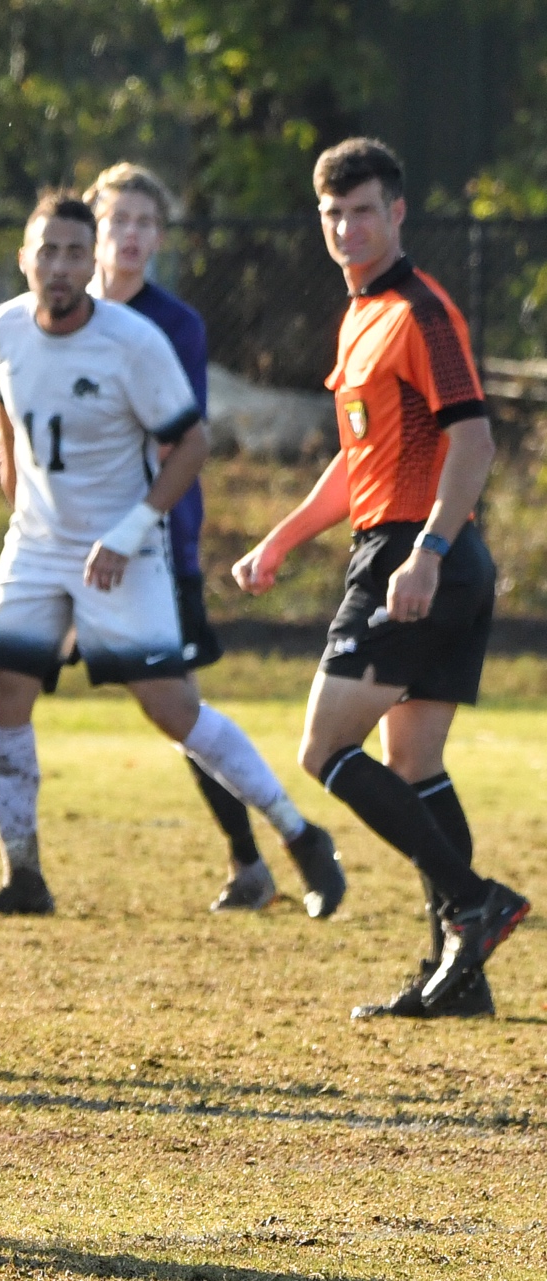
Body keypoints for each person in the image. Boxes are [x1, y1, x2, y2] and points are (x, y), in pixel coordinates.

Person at [0, 165, 345, 917]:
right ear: (24, 257)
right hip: (40, 546)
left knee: (172, 707)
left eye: (72, 253)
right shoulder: (2, 329)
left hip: (124, 549)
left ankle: (298, 834)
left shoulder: (136, 340)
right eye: (45, 250)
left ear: (93, 266)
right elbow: (8, 428)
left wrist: (131, 529)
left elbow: (191, 443)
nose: (58, 265)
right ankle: (24, 877)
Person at [233, 138, 530, 1018]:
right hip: (421, 555)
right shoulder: (358, 315)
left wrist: (427, 554)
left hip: (418, 554)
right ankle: (461, 978)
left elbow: (473, 440)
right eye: (332, 212)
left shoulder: (420, 312)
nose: (347, 227)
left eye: (363, 210)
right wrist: (282, 537)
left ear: (397, 213)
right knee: (414, 764)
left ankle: (474, 902)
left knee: (323, 749)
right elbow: (355, 460)